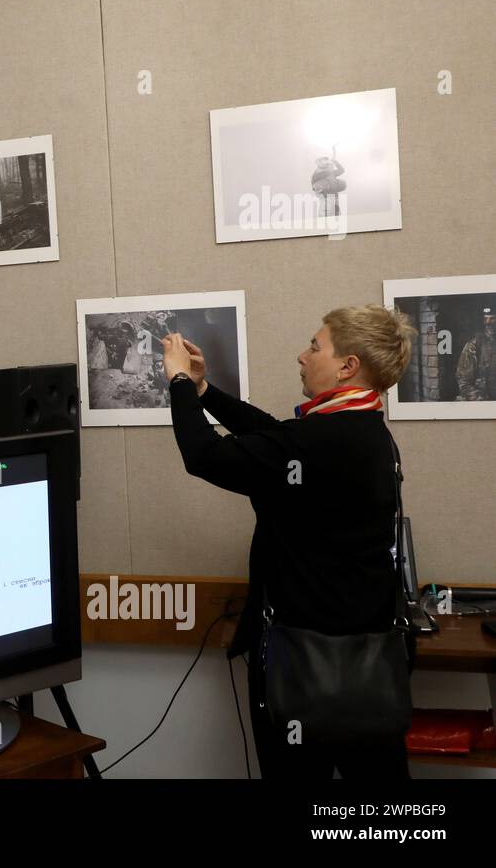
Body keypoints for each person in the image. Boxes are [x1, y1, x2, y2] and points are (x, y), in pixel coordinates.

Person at [160, 305, 416, 779]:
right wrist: (203, 392)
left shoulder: (319, 441)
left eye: (315, 346)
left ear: (348, 366)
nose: (302, 356)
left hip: (303, 667)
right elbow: (276, 436)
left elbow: (204, 455)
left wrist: (177, 383)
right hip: (365, 669)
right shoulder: (365, 430)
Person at [455, 306, 495, 401]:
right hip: (485, 398)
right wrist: (480, 399)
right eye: (486, 319)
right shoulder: (474, 344)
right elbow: (464, 382)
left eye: (493, 318)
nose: (488, 323)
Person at [311, 147, 346, 218]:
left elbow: (341, 170)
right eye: (323, 160)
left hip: (334, 195)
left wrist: (335, 162)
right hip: (324, 196)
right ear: (318, 163)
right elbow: (315, 182)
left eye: (326, 160)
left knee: (336, 211)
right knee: (325, 212)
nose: (325, 162)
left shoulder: (331, 172)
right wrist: (330, 167)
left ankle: (336, 221)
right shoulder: (317, 172)